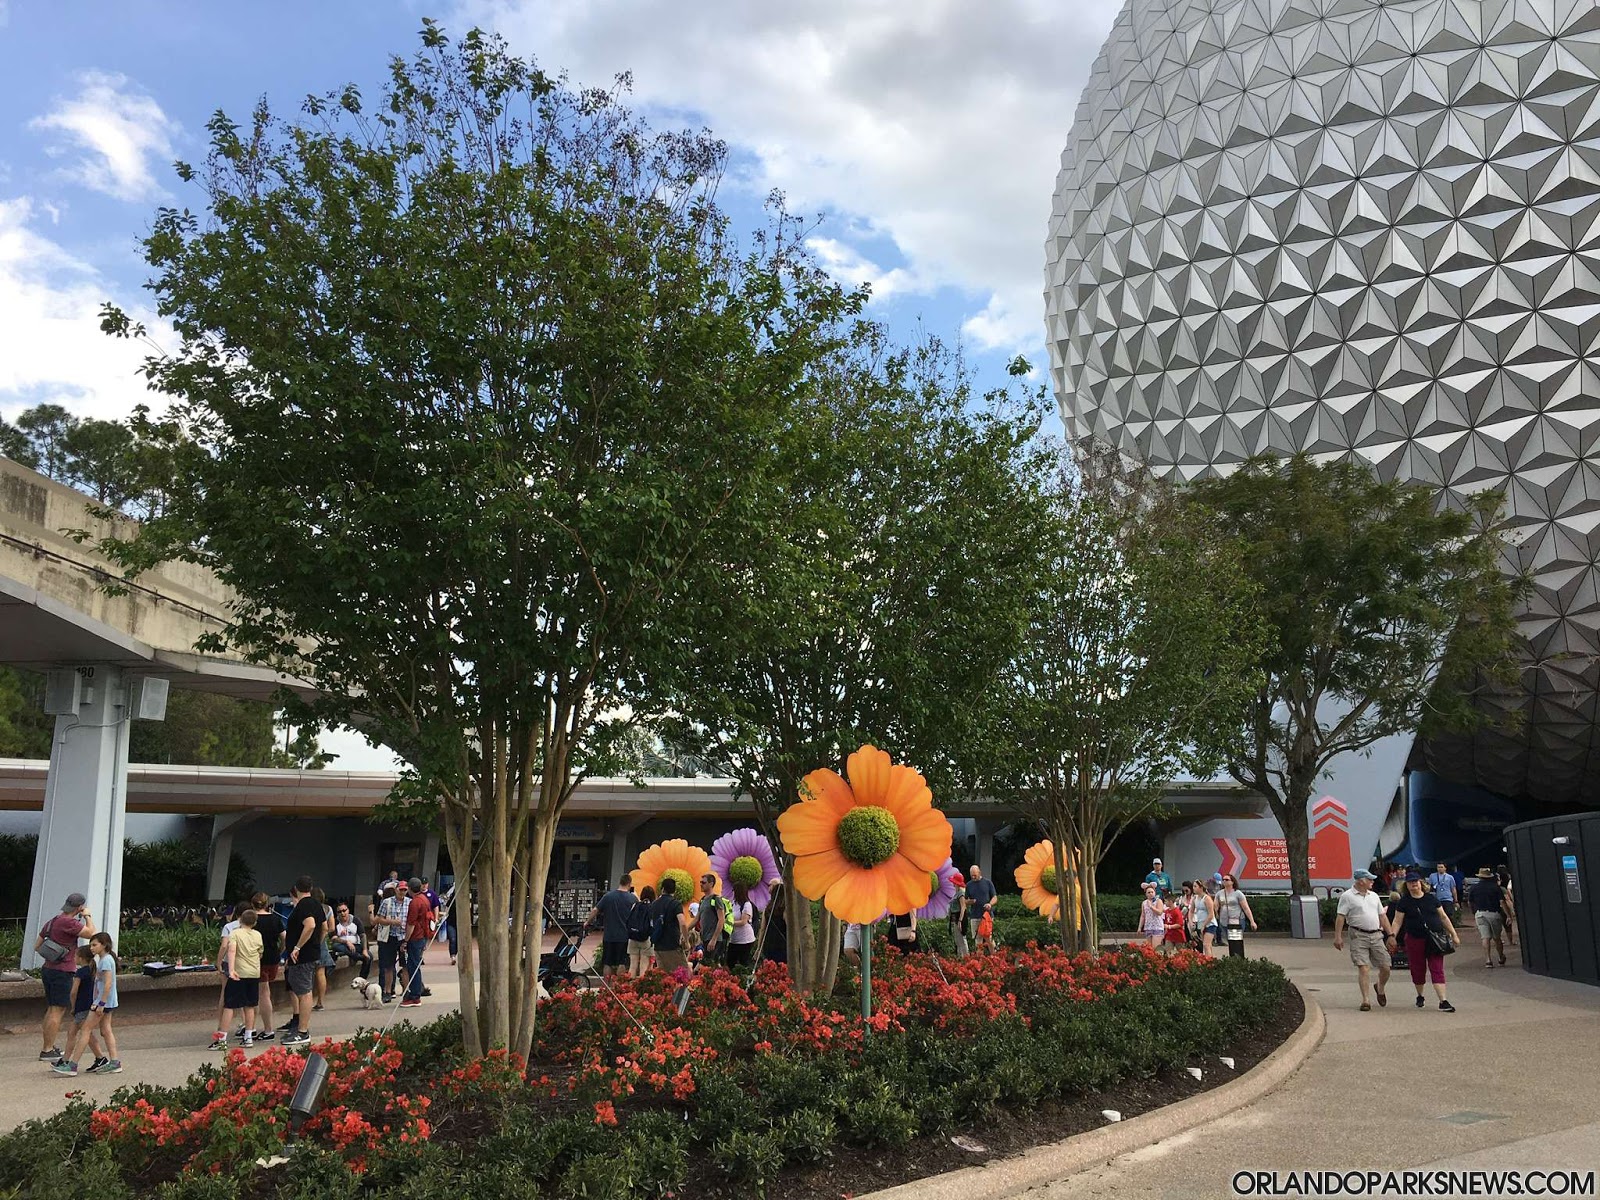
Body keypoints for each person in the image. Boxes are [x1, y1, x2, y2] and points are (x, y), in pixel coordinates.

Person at [35, 891, 95, 1064]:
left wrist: (53, 955)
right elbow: (92, 934)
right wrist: (88, 916)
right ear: (79, 907)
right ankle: (47, 1051)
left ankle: (48, 1046)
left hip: (48, 968)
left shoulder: (52, 921)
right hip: (63, 971)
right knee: (58, 1010)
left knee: (51, 1008)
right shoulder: (69, 923)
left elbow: (37, 946)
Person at [1392, 870, 1461, 1011]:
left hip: (1434, 938)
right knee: (1417, 969)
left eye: (1415, 882)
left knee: (1437, 968)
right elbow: (1397, 921)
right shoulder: (1404, 902)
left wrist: (1453, 934)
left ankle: (1443, 1001)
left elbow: (1443, 917)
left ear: (1421, 883)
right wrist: (1391, 936)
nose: (1414, 885)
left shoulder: (1431, 899)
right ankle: (1420, 995)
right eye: (1410, 882)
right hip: (1414, 939)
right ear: (1406, 885)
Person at [54, 932, 119, 1076]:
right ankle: (114, 1062)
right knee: (105, 1030)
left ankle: (73, 1065)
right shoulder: (104, 960)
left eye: (95, 945)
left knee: (85, 1030)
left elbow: (108, 983)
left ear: (104, 945)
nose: (92, 948)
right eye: (91, 945)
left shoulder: (105, 961)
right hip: (106, 1001)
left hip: (102, 1002)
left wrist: (101, 1003)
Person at [1333, 869, 1396, 1010]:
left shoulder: (1373, 896)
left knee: (1386, 966)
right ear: (1361, 881)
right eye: (1370, 879)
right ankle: (1366, 1000)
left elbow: (1382, 916)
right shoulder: (1347, 896)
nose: (1373, 882)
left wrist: (1391, 935)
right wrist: (1338, 937)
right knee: (1363, 967)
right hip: (1358, 935)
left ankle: (1380, 987)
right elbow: (1340, 916)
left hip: (1376, 935)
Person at [282, 876, 323, 1044]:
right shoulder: (316, 904)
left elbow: (311, 924)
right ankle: (301, 1027)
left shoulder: (304, 906)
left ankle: (303, 1031)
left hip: (302, 955)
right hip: (311, 953)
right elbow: (325, 928)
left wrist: (298, 947)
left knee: (305, 992)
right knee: (302, 989)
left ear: (296, 888)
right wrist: (316, 945)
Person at [215, 908, 263, 1050]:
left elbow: (231, 950)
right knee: (250, 1005)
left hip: (238, 973)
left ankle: (222, 1038)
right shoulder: (258, 935)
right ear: (254, 923)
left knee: (230, 1005)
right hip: (254, 973)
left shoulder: (235, 933)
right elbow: (260, 953)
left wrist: (231, 970)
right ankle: (248, 1036)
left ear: (240, 920)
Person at [246, 893, 282, 1041]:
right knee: (264, 992)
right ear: (267, 904)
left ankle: (260, 1028)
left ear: (252, 904)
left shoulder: (252, 920)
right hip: (272, 958)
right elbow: (284, 936)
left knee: (260, 994)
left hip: (256, 959)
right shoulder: (275, 919)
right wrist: (281, 950)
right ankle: (258, 1028)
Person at [68, 946, 109, 1074]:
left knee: (86, 1034)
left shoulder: (80, 973)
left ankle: (100, 1057)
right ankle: (65, 1059)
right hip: (90, 1003)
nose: (74, 958)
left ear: (80, 958)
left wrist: (73, 1006)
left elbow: (74, 992)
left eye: (75, 956)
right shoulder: (93, 970)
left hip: (81, 1006)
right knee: (72, 1032)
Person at [589, 873, 637, 978]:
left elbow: (595, 910)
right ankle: (619, 987)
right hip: (624, 936)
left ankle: (606, 987)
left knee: (607, 962)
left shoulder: (608, 896)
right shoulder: (632, 899)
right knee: (622, 962)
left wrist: (587, 922)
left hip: (609, 935)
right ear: (629, 884)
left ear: (620, 882)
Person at [373, 880, 407, 1002]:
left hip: (404, 936)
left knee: (405, 965)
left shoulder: (410, 903)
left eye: (405, 890)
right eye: (400, 889)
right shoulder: (387, 902)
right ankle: (387, 991)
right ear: (396, 890)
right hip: (390, 936)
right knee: (388, 965)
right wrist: (392, 922)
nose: (402, 892)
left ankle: (406, 991)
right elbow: (379, 919)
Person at [1469, 866, 1509, 968]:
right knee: (1497, 938)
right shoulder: (1495, 888)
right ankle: (1500, 957)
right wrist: (1508, 915)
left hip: (1480, 914)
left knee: (1485, 937)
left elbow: (1470, 902)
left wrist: (1474, 912)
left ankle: (1488, 960)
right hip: (1494, 913)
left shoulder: (1474, 888)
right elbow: (1502, 902)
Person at [401, 876, 431, 1007]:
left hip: (415, 937)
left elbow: (411, 924)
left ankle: (415, 996)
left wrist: (405, 940)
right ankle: (416, 993)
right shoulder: (424, 899)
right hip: (423, 936)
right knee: (416, 965)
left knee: (413, 966)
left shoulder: (414, 903)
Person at [648, 877, 687, 973]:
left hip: (658, 945)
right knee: (682, 974)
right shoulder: (675, 904)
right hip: (672, 945)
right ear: (674, 890)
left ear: (662, 889)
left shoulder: (654, 904)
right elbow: (683, 923)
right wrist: (685, 940)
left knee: (664, 976)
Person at [1215, 873, 1257, 956]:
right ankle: (1232, 958)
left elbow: (1246, 908)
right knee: (1230, 941)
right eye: (1223, 879)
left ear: (1232, 882)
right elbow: (1215, 906)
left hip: (1236, 920)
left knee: (1236, 941)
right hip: (1224, 921)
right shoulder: (1219, 893)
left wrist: (1252, 921)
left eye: (1227, 880)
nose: (1224, 881)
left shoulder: (1238, 893)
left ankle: (1238, 958)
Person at [693, 874, 730, 966]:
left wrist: (714, 939)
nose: (701, 884)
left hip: (713, 939)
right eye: (700, 882)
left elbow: (721, 920)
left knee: (708, 965)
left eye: (704, 882)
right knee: (707, 964)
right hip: (705, 938)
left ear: (711, 884)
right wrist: (685, 930)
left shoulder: (716, 899)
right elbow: (696, 918)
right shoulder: (702, 900)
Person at [963, 865, 997, 949]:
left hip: (987, 915)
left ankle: (996, 957)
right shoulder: (969, 885)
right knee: (977, 940)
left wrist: (990, 904)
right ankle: (979, 960)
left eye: (975, 875)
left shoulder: (987, 882)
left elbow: (995, 897)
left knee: (988, 938)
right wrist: (970, 901)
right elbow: (964, 901)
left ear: (979, 872)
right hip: (974, 916)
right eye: (972, 875)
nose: (973, 877)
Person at [332, 903, 371, 977]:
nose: (342, 913)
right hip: (342, 946)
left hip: (356, 945)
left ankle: (362, 979)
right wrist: (346, 942)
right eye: (339, 912)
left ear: (348, 910)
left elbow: (362, 935)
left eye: (344, 910)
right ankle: (356, 957)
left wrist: (365, 950)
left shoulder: (355, 920)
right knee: (335, 946)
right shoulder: (335, 922)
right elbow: (334, 939)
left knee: (369, 956)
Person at [626, 885, 657, 977]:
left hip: (633, 937)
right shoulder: (652, 907)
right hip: (646, 938)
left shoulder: (635, 905)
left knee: (632, 965)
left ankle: (629, 987)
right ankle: (640, 987)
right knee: (644, 966)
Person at [726, 882, 758, 969]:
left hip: (745, 939)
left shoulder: (747, 905)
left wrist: (728, 923)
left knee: (743, 962)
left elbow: (743, 922)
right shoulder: (733, 904)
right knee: (730, 962)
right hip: (734, 939)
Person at [761, 882, 789, 966]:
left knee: (770, 968)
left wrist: (759, 947)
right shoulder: (784, 909)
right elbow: (790, 928)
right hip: (782, 944)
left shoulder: (767, 909)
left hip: (769, 943)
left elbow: (762, 929)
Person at [1188, 879, 1219, 956]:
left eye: (1195, 886)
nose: (1193, 888)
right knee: (1206, 945)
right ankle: (1210, 960)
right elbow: (1191, 911)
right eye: (1193, 886)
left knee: (1206, 945)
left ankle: (1208, 963)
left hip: (1210, 924)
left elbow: (1211, 914)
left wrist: (1204, 925)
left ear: (1201, 887)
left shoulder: (1207, 898)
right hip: (1200, 923)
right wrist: (1191, 921)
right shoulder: (1194, 898)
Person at [947, 870, 969, 957]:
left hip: (959, 917)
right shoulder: (956, 893)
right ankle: (960, 956)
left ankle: (965, 956)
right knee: (957, 939)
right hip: (954, 917)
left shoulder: (961, 893)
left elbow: (963, 907)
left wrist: (960, 920)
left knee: (962, 938)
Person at [1163, 886, 1188, 953]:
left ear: (1170, 901)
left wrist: (1169, 926)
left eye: (1166, 901)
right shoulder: (1166, 911)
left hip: (1178, 935)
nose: (1164, 903)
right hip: (1169, 935)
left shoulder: (1177, 911)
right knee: (1168, 951)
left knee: (1181, 952)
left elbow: (1180, 924)